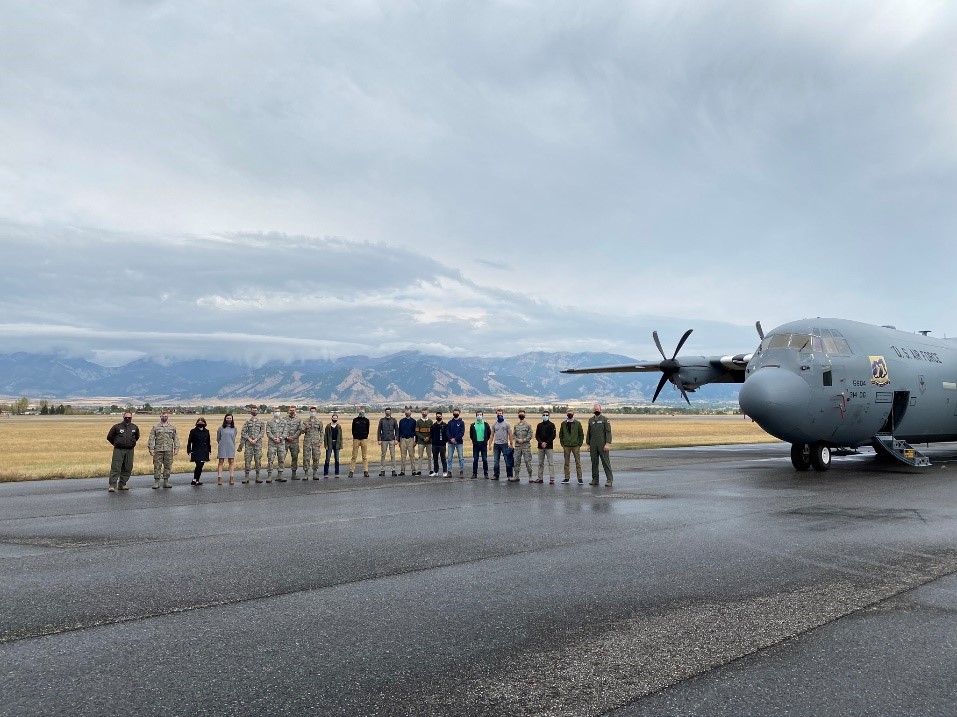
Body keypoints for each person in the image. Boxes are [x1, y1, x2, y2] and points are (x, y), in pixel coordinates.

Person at [106, 411, 140, 492]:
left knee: (128, 467)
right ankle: (112, 485)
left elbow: (137, 437)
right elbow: (109, 437)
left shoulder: (134, 427)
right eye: (126, 417)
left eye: (129, 417)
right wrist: (116, 443)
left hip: (130, 450)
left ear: (132, 418)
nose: (127, 419)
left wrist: (131, 443)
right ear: (123, 417)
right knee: (116, 467)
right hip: (119, 450)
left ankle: (122, 484)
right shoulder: (117, 427)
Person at [147, 411, 180, 489]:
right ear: (160, 417)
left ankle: (166, 481)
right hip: (158, 450)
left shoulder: (172, 427)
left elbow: (176, 438)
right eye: (162, 416)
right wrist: (151, 449)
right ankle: (157, 482)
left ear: (168, 417)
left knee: (168, 465)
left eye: (165, 416)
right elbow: (151, 439)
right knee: (157, 466)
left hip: (168, 450)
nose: (164, 417)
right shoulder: (155, 427)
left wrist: (176, 448)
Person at [587, 403, 614, 487]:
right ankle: (595, 479)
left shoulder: (605, 420)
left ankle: (609, 479)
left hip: (603, 444)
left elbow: (608, 432)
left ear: (600, 410)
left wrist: (607, 443)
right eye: (595, 409)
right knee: (594, 462)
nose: (596, 411)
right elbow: (589, 433)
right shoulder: (591, 420)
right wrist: (588, 444)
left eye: (598, 409)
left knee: (605, 462)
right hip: (593, 444)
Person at [240, 406, 265, 483]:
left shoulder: (261, 422)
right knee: (247, 460)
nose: (254, 411)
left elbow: (262, 432)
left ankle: (258, 477)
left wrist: (256, 439)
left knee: (258, 460)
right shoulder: (247, 421)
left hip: (258, 444)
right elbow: (243, 432)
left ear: (257, 411)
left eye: (255, 410)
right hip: (249, 444)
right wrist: (249, 439)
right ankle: (246, 477)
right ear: (250, 412)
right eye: (253, 410)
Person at [559, 408, 585, 484]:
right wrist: (562, 444)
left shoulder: (577, 423)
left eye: (571, 412)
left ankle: (580, 478)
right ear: (566, 414)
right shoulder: (563, 424)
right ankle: (566, 478)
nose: (569, 414)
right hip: (566, 446)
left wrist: (579, 444)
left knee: (578, 462)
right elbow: (561, 434)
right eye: (568, 412)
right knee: (566, 463)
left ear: (573, 413)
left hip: (575, 445)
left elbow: (581, 434)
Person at [186, 418, 211, 486]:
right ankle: (195, 479)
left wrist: (209, 450)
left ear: (204, 423)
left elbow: (208, 442)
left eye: (202, 422)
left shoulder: (207, 431)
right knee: (198, 465)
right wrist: (189, 451)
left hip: (204, 450)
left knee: (201, 466)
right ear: (197, 423)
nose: (201, 424)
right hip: (196, 450)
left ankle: (196, 480)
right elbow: (189, 441)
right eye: (199, 422)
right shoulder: (193, 431)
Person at [301, 406, 324, 480]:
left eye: (314, 411)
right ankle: (306, 474)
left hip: (316, 443)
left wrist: (321, 441)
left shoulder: (319, 422)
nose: (313, 413)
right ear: (309, 412)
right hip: (307, 442)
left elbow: (322, 432)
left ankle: (315, 473)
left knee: (316, 457)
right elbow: (301, 432)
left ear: (316, 412)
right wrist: (305, 427)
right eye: (311, 411)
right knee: (306, 458)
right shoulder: (305, 421)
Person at [535, 410, 557, 484]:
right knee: (540, 463)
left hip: (549, 447)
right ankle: (540, 478)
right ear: (542, 416)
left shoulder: (552, 425)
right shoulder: (539, 425)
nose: (545, 416)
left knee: (551, 463)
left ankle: (552, 478)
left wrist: (546, 442)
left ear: (549, 416)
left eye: (546, 415)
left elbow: (553, 435)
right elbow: (536, 435)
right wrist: (541, 442)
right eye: (544, 415)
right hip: (540, 446)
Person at [266, 407, 287, 483]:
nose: (277, 413)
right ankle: (269, 475)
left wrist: (280, 438)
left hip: (281, 444)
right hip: (272, 444)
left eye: (278, 411)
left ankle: (280, 475)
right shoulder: (269, 422)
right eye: (276, 411)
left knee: (281, 459)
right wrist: (274, 438)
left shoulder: (284, 422)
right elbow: (268, 432)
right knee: (270, 459)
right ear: (273, 412)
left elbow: (285, 432)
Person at [491, 408, 513, 481]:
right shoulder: (494, 424)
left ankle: (510, 475)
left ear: (502, 414)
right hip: (496, 445)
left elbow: (510, 434)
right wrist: (490, 443)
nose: (499, 415)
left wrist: (511, 443)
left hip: (504, 444)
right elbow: (492, 435)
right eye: (498, 413)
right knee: (496, 461)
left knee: (507, 460)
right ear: (496, 414)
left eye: (500, 413)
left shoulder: (507, 423)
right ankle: (496, 475)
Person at [512, 410, 534, 482]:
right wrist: (517, 440)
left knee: (527, 461)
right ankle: (516, 476)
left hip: (526, 446)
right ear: (518, 415)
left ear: (525, 415)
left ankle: (530, 476)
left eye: (522, 414)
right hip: (518, 446)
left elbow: (530, 435)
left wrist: (524, 440)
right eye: (520, 414)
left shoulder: (528, 425)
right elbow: (513, 435)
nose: (521, 415)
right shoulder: (516, 426)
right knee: (516, 461)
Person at [377, 407, 400, 476]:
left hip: (392, 440)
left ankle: (393, 470)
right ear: (385, 412)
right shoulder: (382, 420)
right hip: (384, 440)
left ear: (391, 412)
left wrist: (396, 439)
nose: (387, 412)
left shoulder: (394, 420)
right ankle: (382, 470)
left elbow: (397, 430)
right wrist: (379, 439)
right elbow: (379, 430)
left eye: (389, 411)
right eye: (386, 411)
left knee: (392, 455)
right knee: (383, 455)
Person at [349, 407, 370, 478]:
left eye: (362, 411)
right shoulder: (355, 420)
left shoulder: (366, 420)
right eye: (360, 411)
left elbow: (368, 429)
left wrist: (365, 436)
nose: (361, 412)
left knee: (364, 457)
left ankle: (366, 471)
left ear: (364, 411)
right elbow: (353, 429)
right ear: (359, 411)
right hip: (356, 439)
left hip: (364, 439)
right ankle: (351, 471)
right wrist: (355, 436)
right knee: (354, 456)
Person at [217, 413, 238, 485]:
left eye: (230, 418)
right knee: (221, 462)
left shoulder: (234, 428)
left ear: (232, 419)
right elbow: (218, 438)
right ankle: (219, 478)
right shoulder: (220, 428)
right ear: (225, 419)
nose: (229, 419)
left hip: (231, 446)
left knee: (231, 462)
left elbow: (234, 438)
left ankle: (231, 478)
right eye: (227, 418)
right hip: (222, 446)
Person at [469, 411, 492, 479]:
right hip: (476, 445)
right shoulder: (473, 425)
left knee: (484, 459)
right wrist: (474, 440)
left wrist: (485, 440)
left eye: (480, 415)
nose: (479, 416)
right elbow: (471, 435)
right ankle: (474, 474)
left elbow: (489, 434)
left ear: (482, 416)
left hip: (483, 444)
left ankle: (486, 474)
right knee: (475, 459)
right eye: (478, 415)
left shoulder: (486, 424)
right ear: (476, 416)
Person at [285, 406, 305, 479]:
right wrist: (287, 437)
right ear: (288, 410)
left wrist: (293, 437)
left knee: (295, 457)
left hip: (294, 441)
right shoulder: (284, 419)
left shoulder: (299, 420)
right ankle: (279, 474)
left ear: (295, 410)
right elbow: (282, 429)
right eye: (290, 410)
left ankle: (294, 474)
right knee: (281, 457)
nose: (292, 411)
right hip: (285, 441)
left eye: (293, 410)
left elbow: (300, 430)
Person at [446, 408, 466, 478]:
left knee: (461, 458)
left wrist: (455, 438)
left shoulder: (461, 423)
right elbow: (447, 432)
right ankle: (449, 472)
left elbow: (462, 432)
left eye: (457, 413)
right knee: (449, 458)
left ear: (459, 413)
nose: (455, 414)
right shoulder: (450, 422)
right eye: (454, 413)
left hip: (459, 442)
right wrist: (451, 439)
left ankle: (461, 472)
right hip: (450, 443)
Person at [398, 406, 417, 476]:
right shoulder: (401, 421)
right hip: (403, 439)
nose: (407, 412)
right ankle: (402, 471)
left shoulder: (414, 421)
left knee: (412, 455)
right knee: (403, 456)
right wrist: (399, 441)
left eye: (409, 411)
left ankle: (413, 470)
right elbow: (399, 431)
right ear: (404, 412)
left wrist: (416, 441)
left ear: (411, 412)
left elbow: (416, 431)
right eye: (406, 411)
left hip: (411, 439)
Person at [323, 413, 343, 477]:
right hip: (329, 443)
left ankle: (337, 473)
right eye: (333, 418)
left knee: (337, 459)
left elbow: (340, 437)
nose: (334, 419)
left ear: (337, 419)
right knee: (327, 459)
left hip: (336, 443)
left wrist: (340, 445)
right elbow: (325, 436)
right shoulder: (328, 426)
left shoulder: (339, 427)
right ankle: (326, 473)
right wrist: (325, 445)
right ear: (331, 419)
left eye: (336, 418)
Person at [414, 409, 433, 477]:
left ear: (427, 412)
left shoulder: (430, 421)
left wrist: (428, 437)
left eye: (425, 412)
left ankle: (430, 470)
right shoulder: (418, 421)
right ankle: (419, 470)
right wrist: (423, 438)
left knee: (430, 456)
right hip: (421, 442)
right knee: (420, 456)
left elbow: (432, 431)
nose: (424, 413)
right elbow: (417, 432)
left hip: (429, 442)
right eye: (423, 412)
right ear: (421, 413)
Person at [429, 411, 449, 476]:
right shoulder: (433, 426)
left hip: (442, 445)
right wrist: (432, 441)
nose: (438, 417)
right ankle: (436, 471)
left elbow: (447, 434)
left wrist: (444, 441)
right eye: (437, 416)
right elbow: (431, 435)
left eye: (439, 416)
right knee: (435, 458)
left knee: (443, 458)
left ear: (442, 417)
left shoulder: (445, 425)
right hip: (434, 445)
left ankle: (445, 472)